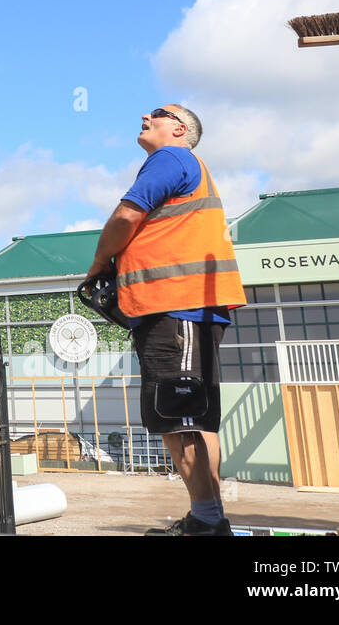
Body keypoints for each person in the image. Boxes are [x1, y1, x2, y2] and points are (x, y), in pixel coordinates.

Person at [86, 105, 244, 536]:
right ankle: (208, 519)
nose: (144, 115)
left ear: (180, 129)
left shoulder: (171, 159)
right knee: (195, 419)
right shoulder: (181, 165)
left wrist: (101, 263)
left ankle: (207, 521)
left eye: (159, 113)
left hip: (175, 308)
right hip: (181, 310)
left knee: (178, 417)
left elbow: (125, 217)